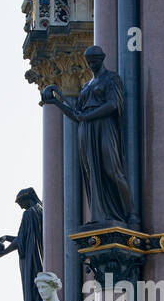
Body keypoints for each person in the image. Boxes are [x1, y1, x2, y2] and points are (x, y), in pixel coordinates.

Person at [40, 46, 136, 227]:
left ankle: (130, 213)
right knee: (92, 172)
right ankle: (100, 215)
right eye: (89, 61)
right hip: (86, 130)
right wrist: (56, 102)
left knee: (112, 169)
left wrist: (88, 116)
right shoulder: (86, 87)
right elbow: (76, 115)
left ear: (103, 58)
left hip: (104, 126)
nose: (92, 64)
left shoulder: (111, 78)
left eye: (95, 60)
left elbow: (114, 104)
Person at [0, 188, 46, 301]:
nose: (21, 208)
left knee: (32, 291)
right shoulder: (40, 210)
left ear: (27, 199)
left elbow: (21, 240)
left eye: (20, 203)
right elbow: (23, 237)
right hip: (40, 256)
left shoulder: (29, 213)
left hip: (31, 259)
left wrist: (3, 252)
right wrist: (6, 237)